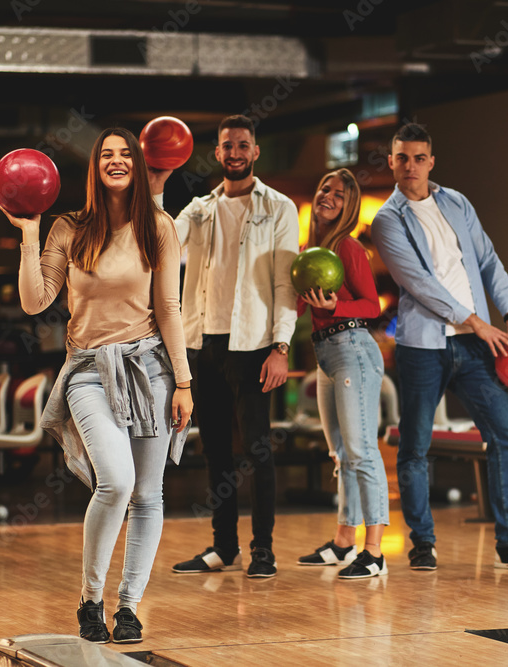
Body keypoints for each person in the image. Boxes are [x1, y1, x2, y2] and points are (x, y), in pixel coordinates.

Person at [6, 127, 194, 644]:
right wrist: (29, 232)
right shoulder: (69, 227)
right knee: (116, 481)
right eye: (106, 155)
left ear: (136, 164)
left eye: (124, 154)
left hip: (151, 367)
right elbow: (34, 300)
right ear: (95, 167)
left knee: (149, 495)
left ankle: (129, 606)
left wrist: (183, 380)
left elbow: (170, 309)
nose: (115, 161)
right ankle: (91, 599)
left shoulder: (159, 226)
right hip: (88, 369)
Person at [371, 123, 508, 573]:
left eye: (418, 158)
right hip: (422, 348)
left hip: (475, 347)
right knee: (415, 447)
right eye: (402, 158)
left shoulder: (456, 202)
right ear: (391, 162)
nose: (410, 166)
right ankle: (422, 544)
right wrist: (476, 321)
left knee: (505, 436)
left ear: (431, 161)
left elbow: (489, 261)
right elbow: (419, 283)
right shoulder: (387, 220)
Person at [160, 114, 299, 579]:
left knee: (258, 449)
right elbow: (159, 243)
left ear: (255, 151)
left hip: (255, 344)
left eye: (243, 145)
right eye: (227, 146)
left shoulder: (278, 207)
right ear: (216, 154)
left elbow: (286, 282)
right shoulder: (199, 209)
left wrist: (281, 346)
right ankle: (224, 546)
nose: (235, 153)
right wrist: (158, 178)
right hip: (204, 343)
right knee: (215, 449)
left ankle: (264, 550)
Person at [294, 168, 389, 579]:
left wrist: (337, 308)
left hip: (353, 349)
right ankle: (343, 542)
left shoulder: (347, 247)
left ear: (349, 206)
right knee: (342, 454)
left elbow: (372, 306)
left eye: (339, 193)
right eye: (324, 189)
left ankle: (375, 552)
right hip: (325, 355)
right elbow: (299, 308)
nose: (328, 197)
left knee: (363, 451)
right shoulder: (310, 252)